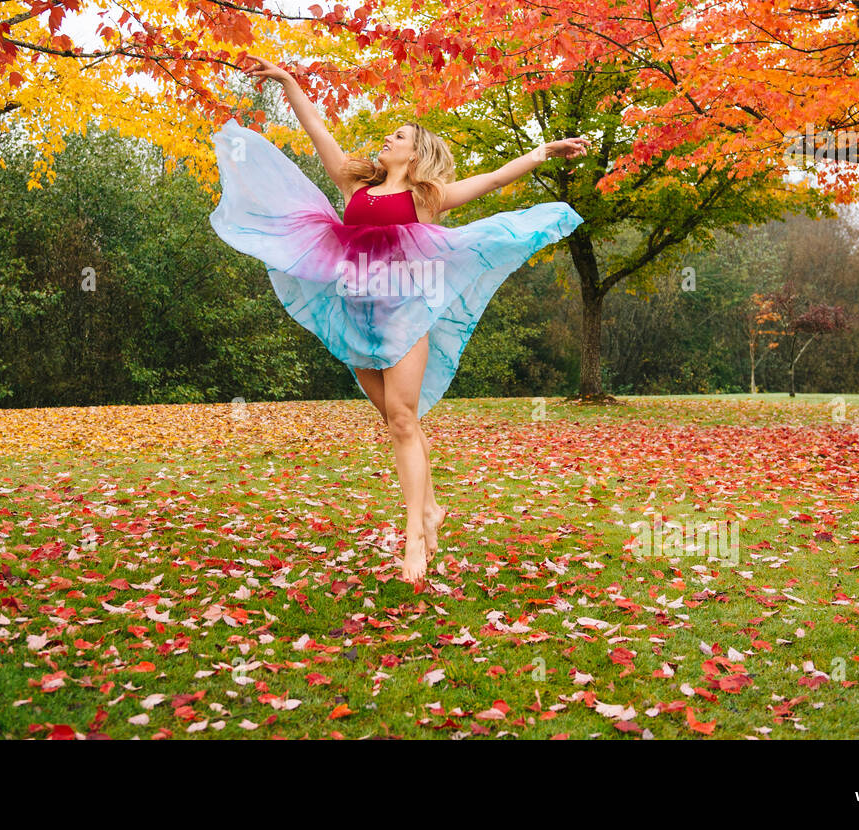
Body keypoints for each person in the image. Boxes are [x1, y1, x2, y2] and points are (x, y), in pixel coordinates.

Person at [211, 54, 587, 583]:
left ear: (417, 152)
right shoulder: (354, 188)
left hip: (404, 318)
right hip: (354, 318)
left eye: (399, 136)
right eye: (388, 135)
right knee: (395, 421)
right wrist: (291, 84)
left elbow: (494, 177)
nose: (388, 140)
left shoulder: (428, 198)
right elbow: (318, 129)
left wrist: (542, 152)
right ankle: (431, 509)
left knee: (405, 420)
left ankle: (414, 538)